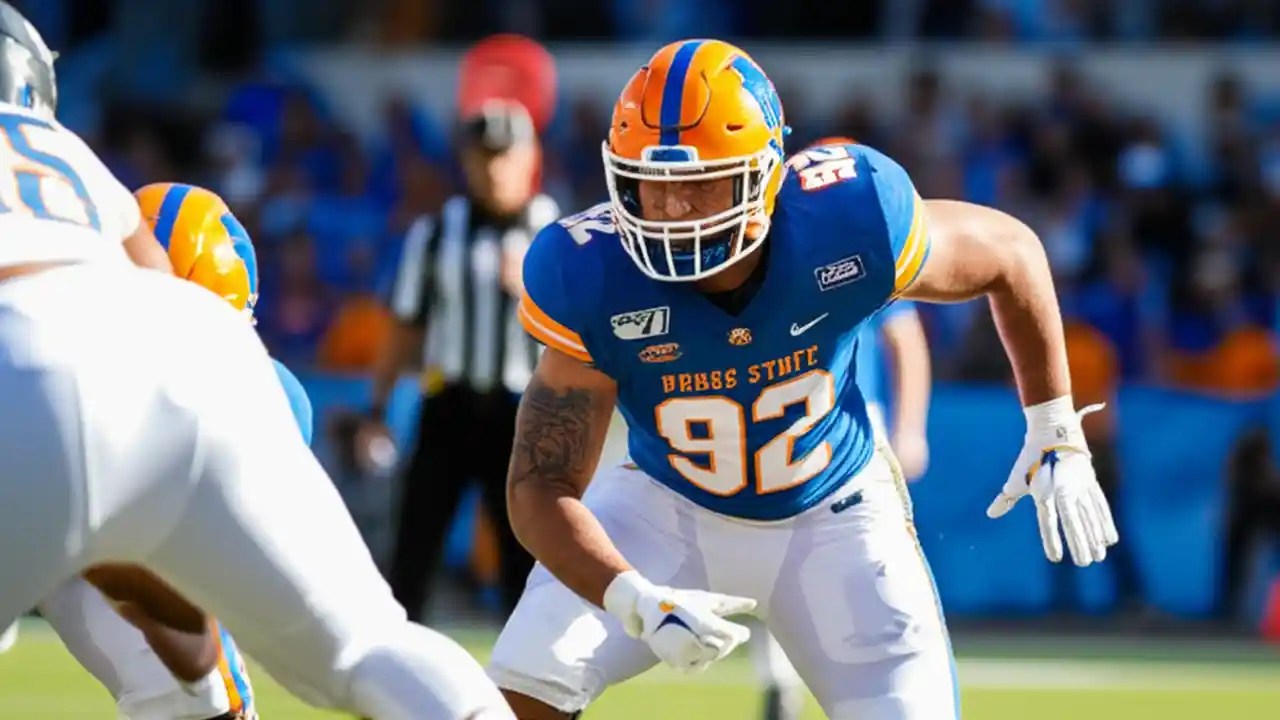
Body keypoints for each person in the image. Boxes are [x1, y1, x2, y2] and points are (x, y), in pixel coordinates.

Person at [486, 39, 1118, 720]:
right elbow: (539, 485)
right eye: (651, 183)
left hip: (834, 512)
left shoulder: (849, 221)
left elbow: (1012, 252)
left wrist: (1054, 425)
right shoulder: (590, 272)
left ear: (764, 176)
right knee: (528, 677)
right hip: (666, 506)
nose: (672, 209)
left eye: (699, 184)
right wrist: (629, 595)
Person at [0, 4, 512, 718]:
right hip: (183, 356)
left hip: (21, 369)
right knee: (365, 646)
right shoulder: (66, 155)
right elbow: (161, 300)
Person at [360, 99, 556, 620]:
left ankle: (530, 692)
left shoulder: (556, 233)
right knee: (413, 553)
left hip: (526, 411)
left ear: (529, 157)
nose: (494, 169)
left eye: (504, 155)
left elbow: (588, 336)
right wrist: (377, 409)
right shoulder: (434, 233)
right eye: (483, 156)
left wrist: (537, 298)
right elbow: (405, 325)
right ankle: (395, 689)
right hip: (448, 402)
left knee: (526, 558)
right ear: (465, 160)